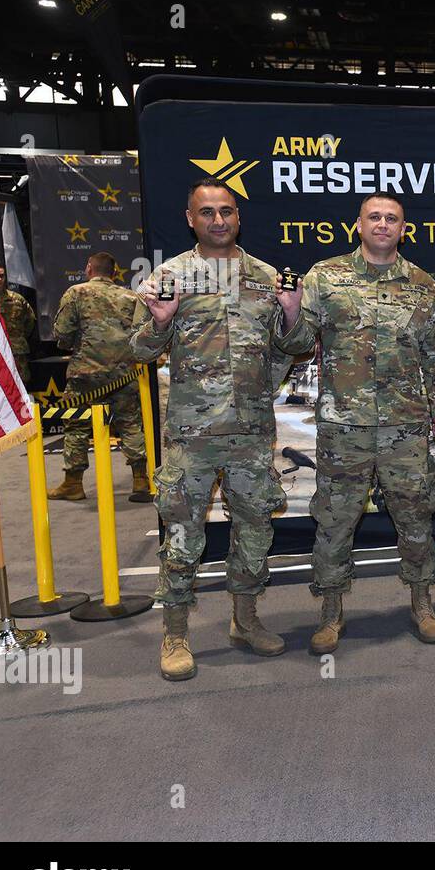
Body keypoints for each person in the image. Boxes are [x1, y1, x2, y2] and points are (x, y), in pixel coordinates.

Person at [133, 177, 302, 680]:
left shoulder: (266, 276)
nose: (218, 220)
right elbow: (139, 350)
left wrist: (291, 315)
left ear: (237, 216)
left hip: (251, 434)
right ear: (191, 219)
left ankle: (245, 620)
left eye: (226, 211)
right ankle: (176, 633)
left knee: (254, 530)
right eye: (206, 212)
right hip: (192, 436)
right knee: (183, 534)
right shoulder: (171, 276)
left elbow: (291, 348)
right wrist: (161, 321)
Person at [276, 192, 435, 653]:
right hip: (345, 430)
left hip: (406, 428)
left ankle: (422, 602)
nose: (382, 224)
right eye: (374, 217)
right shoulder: (325, 276)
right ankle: (331, 612)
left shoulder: (423, 285)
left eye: (391, 218)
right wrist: (292, 309)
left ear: (402, 228)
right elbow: (296, 342)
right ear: (358, 224)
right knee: (335, 523)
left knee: (415, 518)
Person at [48, 252, 150, 503]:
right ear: (114, 273)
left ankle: (73, 483)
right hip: (124, 373)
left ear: (89, 269)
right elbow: (143, 333)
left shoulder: (76, 293)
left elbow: (62, 332)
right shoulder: (130, 296)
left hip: (85, 373)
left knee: (76, 426)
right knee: (130, 423)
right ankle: (140, 480)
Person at [0, 265, 35, 385]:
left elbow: (29, 322)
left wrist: (17, 338)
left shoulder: (17, 299)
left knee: (20, 384)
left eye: (2, 276)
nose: (0, 279)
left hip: (16, 352)